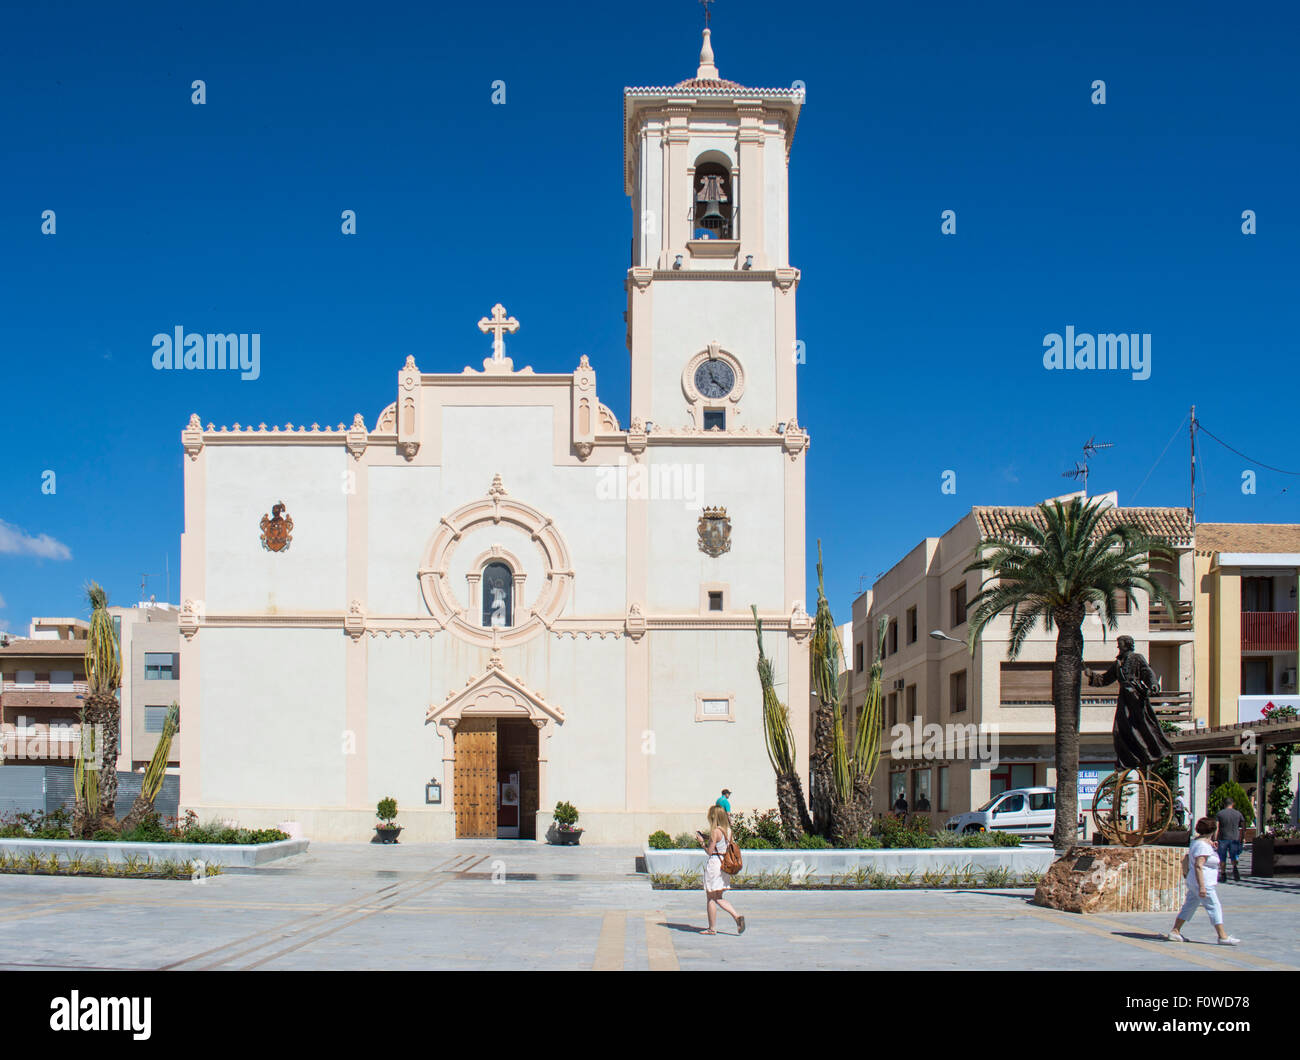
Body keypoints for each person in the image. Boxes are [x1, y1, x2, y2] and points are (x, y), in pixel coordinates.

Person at [1086, 635, 1174, 768]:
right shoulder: (1118, 663)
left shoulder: (1137, 658)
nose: (1118, 646)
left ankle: (1152, 754)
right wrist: (1092, 675)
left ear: (1127, 644)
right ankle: (1128, 760)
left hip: (1135, 697)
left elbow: (1147, 672)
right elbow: (1106, 679)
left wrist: (1153, 684)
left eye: (1119, 644)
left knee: (1142, 727)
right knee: (1118, 730)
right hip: (1124, 698)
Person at [1168, 817, 1240, 945]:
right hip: (1204, 882)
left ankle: (1175, 931)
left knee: (1189, 906)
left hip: (1194, 881)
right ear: (1213, 830)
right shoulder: (1203, 846)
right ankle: (1222, 936)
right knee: (1214, 907)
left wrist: (1211, 845)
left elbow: (1189, 857)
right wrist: (1202, 887)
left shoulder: (1197, 842)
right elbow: (1198, 865)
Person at [698, 805, 744, 936]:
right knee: (718, 896)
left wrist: (702, 842)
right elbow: (720, 843)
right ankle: (736, 917)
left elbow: (709, 851)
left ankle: (712, 928)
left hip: (714, 865)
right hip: (725, 864)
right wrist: (707, 837)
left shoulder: (715, 831)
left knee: (711, 897)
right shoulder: (728, 830)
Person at [1215, 798, 1245, 883]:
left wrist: (1215, 839)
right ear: (1233, 804)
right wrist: (1242, 837)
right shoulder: (1238, 813)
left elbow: (1217, 827)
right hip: (1234, 838)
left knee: (1222, 857)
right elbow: (1243, 826)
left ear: (1224, 804)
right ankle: (1235, 868)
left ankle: (1223, 874)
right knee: (1234, 855)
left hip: (1223, 838)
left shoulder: (1220, 814)